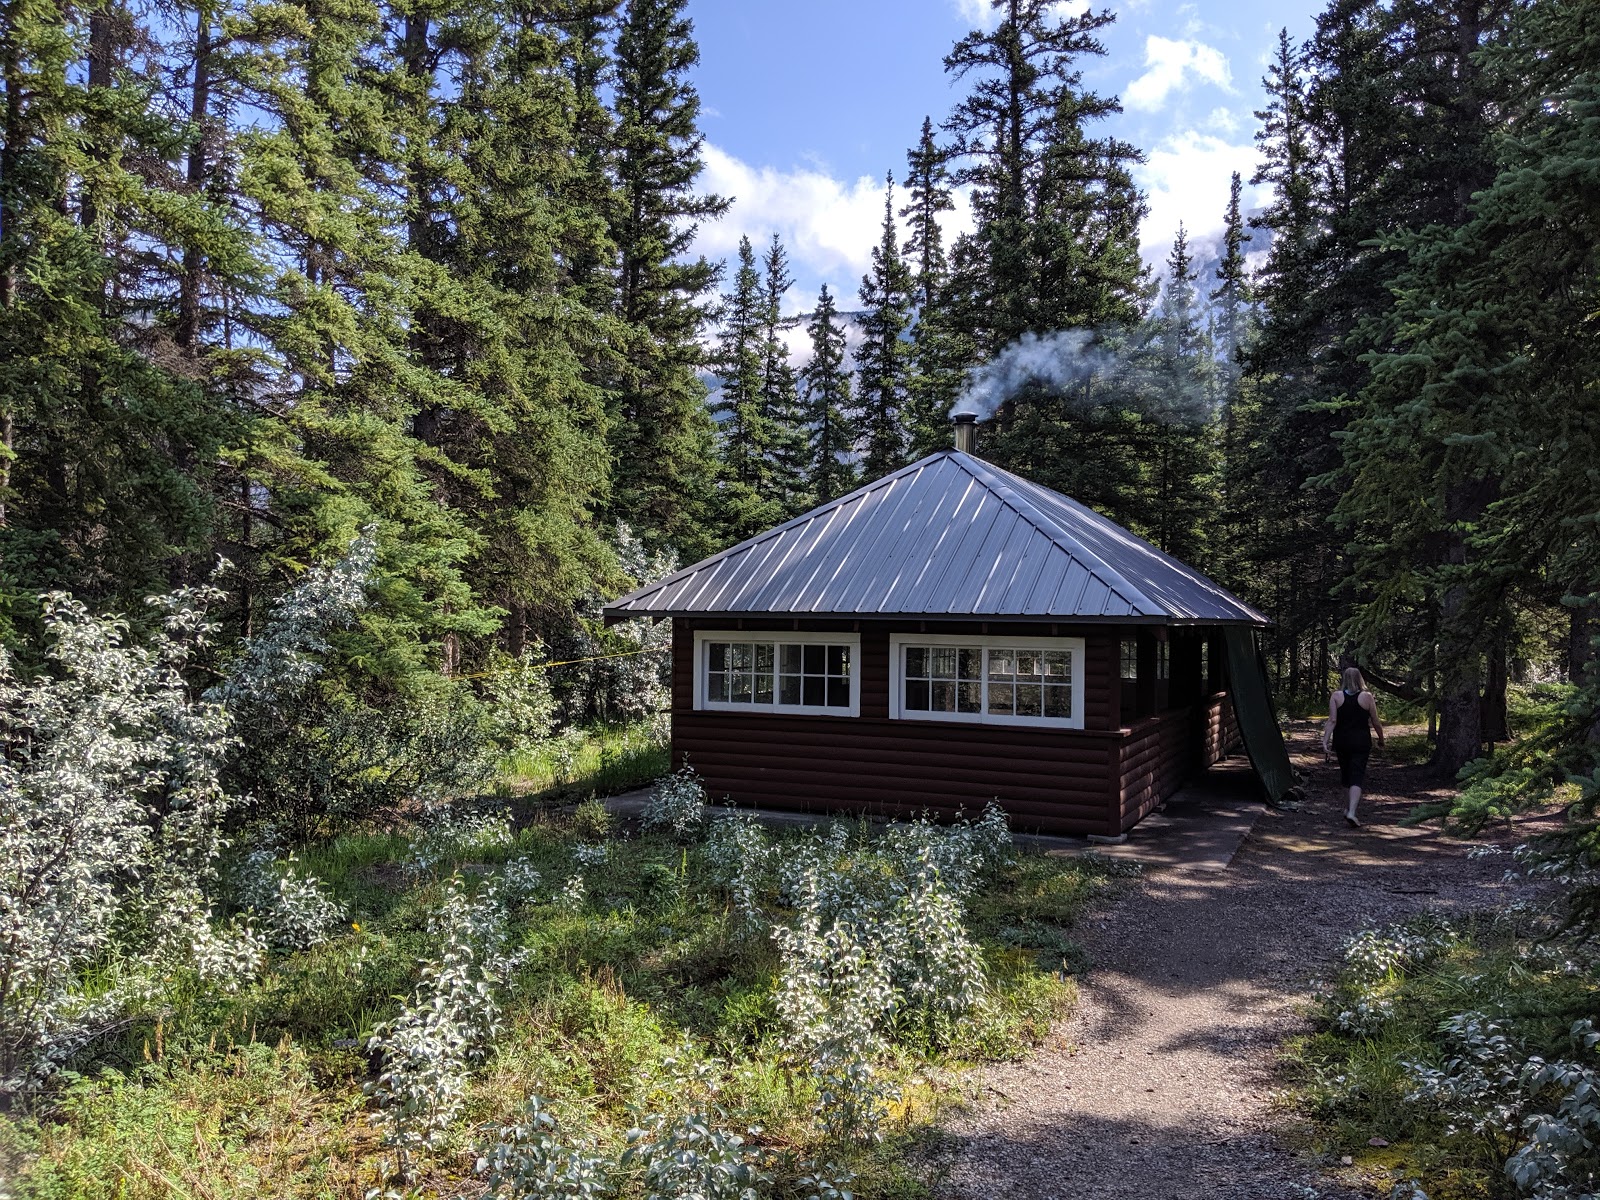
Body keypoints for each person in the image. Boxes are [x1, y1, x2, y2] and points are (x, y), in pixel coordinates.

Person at [1323, 667, 1385, 827]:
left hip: (1341, 741)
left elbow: (1332, 720)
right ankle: (1351, 811)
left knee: (1346, 775)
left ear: (1344, 678)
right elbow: (1375, 721)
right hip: (1361, 742)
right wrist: (1381, 738)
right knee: (1356, 776)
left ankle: (1347, 809)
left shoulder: (1336, 696)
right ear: (1360, 678)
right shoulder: (1367, 697)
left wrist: (1325, 740)